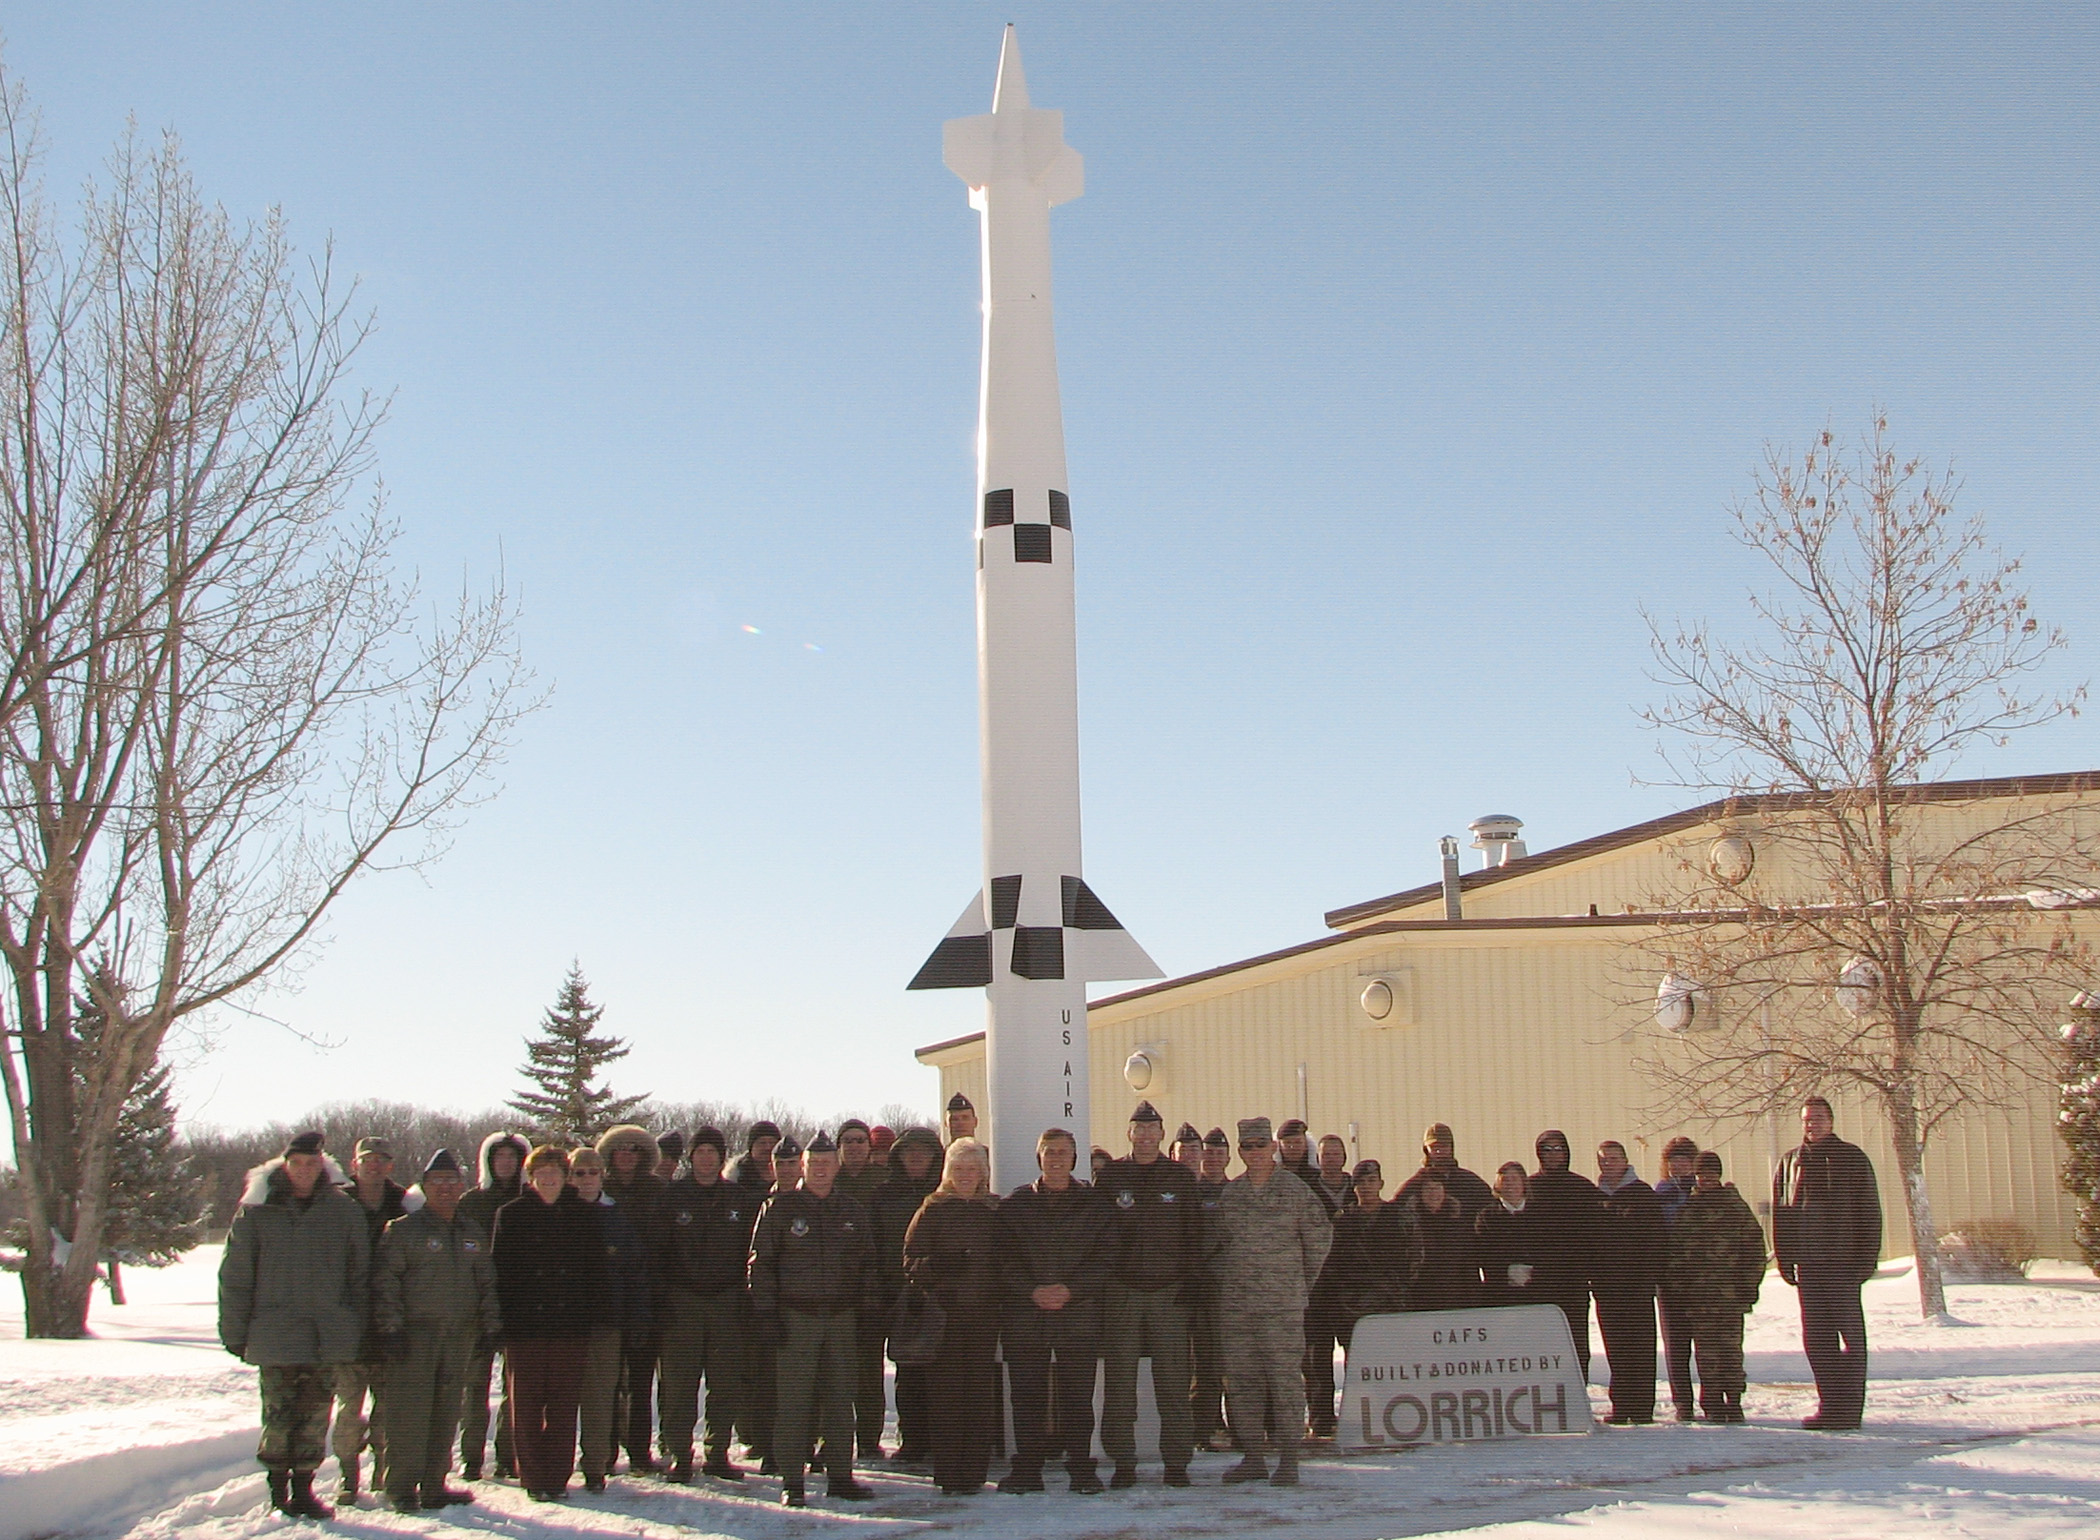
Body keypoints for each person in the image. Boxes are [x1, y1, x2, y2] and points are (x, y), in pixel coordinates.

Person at [218, 1131, 370, 1521]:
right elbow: (235, 1277)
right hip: (274, 1333)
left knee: (316, 1414)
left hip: (326, 1333)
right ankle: (278, 1491)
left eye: (311, 1164)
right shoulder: (257, 1211)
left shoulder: (343, 1211)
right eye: (297, 1164)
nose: (304, 1171)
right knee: (278, 1416)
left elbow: (360, 1275)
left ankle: (305, 1490)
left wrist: (356, 1327)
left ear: (323, 1166)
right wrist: (234, 1331)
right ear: (284, 1166)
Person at [747, 1129, 880, 1508]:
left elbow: (868, 1265)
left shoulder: (852, 1210)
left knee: (841, 1400)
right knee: (794, 1401)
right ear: (802, 1167)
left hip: (841, 1316)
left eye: (826, 1163)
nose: (820, 1170)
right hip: (796, 1315)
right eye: (813, 1164)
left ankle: (840, 1474)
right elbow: (761, 1266)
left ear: (837, 1166)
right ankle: (793, 1479)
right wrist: (766, 1313)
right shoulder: (780, 1210)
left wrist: (869, 1310)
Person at [372, 1149, 499, 1514]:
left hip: (459, 1335)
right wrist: (391, 1328)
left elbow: (486, 1282)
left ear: (462, 1186)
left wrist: (491, 1325)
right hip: (415, 1335)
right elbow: (387, 1282)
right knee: (409, 1412)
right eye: (437, 1182)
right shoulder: (404, 1230)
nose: (445, 1188)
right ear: (424, 1186)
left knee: (446, 1411)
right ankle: (400, 1488)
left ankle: (434, 1485)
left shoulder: (472, 1232)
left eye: (452, 1181)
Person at [1212, 1117, 1331, 1487]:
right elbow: (1220, 1247)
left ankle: (1289, 1459)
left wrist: (1297, 1284)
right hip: (1238, 1306)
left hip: (1281, 1306)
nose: (1255, 1152)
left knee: (1285, 1381)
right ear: (1240, 1151)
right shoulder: (1231, 1195)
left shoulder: (1295, 1191)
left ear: (1273, 1148)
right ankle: (1252, 1456)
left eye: (1261, 1144)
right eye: (1247, 1146)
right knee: (1243, 1381)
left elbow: (1319, 1242)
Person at [997, 1128, 1111, 1495]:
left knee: (1078, 1398)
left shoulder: (1095, 1204)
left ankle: (1081, 1469)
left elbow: (1107, 1257)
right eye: (1049, 1152)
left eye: (1063, 1152)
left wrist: (1072, 1290)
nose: (1056, 1158)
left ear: (1074, 1158)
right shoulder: (1016, 1204)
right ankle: (1027, 1469)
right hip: (1026, 1315)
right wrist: (1031, 1290)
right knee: (1026, 1397)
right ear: (1039, 1157)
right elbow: (1003, 1259)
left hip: (1077, 1315)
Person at [1098, 1099, 1203, 1488]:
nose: (1145, 1136)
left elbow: (1193, 1233)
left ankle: (1176, 1461)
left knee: (1174, 1382)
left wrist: (1191, 1282)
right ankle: (1123, 1461)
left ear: (1162, 1134)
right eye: (1138, 1129)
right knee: (1120, 1383)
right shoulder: (1111, 1177)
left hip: (1168, 1291)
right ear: (1129, 1134)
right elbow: (1100, 1236)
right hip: (1123, 1291)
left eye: (1152, 1129)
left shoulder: (1179, 1178)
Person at [492, 1145, 606, 1502]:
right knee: (525, 1404)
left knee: (562, 1404)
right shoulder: (510, 1214)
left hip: (569, 1324)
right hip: (525, 1325)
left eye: (555, 1171)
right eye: (541, 1172)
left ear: (565, 1176)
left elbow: (595, 1271)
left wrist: (590, 1313)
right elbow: (500, 1271)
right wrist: (502, 1320)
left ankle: (557, 1475)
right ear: (530, 1177)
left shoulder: (583, 1215)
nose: (548, 1178)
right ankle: (533, 1476)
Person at [1772, 1096, 1882, 1430]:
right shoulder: (1791, 1161)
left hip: (1842, 1263)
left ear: (1831, 1121)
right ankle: (1829, 1404)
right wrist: (1785, 1257)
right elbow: (1781, 1213)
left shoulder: (1852, 1158)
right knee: (1817, 1340)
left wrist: (1866, 1259)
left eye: (1818, 1118)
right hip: (1809, 1265)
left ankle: (1849, 1410)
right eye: (1807, 1120)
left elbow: (1869, 1211)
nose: (1812, 1124)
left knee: (1850, 1339)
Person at [902, 1137, 1002, 1495]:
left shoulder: (994, 1210)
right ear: (947, 1172)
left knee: (978, 1395)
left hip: (983, 1315)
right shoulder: (932, 1209)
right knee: (945, 1396)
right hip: (944, 1316)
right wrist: (937, 1266)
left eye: (971, 1169)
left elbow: (1008, 1260)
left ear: (982, 1173)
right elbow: (910, 1262)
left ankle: (974, 1471)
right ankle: (948, 1470)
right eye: (958, 1169)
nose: (965, 1175)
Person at [656, 1125, 754, 1483]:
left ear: (721, 1157)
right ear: (691, 1157)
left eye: (714, 1152)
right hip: (683, 1300)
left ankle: (718, 1453)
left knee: (724, 1382)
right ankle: (680, 1454)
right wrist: (663, 1299)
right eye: (701, 1152)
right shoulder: (672, 1197)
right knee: (680, 1384)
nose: (707, 1158)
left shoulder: (738, 1199)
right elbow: (659, 1252)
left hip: (727, 1300)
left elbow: (750, 1251)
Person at [334, 1135, 412, 1503]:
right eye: (367, 1159)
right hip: (348, 1324)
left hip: (390, 1320)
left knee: (389, 1408)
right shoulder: (336, 1204)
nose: (374, 1166)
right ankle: (348, 1477)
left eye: (382, 1160)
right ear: (355, 1165)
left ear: (390, 1166)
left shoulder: (405, 1205)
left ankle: (383, 1472)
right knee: (349, 1409)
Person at [570, 1147, 651, 1493]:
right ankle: (554, 1463)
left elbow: (635, 1273)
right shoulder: (557, 1213)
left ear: (603, 1175)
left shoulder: (616, 1217)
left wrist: (638, 1319)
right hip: (562, 1324)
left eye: (593, 1173)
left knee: (601, 1397)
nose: (586, 1179)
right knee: (558, 1399)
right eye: (579, 1173)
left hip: (606, 1321)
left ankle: (595, 1464)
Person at [1664, 1151, 1767, 1424]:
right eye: (1702, 1174)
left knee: (1731, 1351)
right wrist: (1681, 1289)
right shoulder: (1688, 1211)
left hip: (1730, 1297)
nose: (1706, 1179)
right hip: (1699, 1299)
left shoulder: (1735, 1208)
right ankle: (1712, 1402)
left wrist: (1748, 1286)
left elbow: (1755, 1250)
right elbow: (1676, 1255)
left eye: (1711, 1173)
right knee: (1707, 1353)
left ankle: (1733, 1400)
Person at [457, 1130, 528, 1481]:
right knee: (474, 1385)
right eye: (499, 1157)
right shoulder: (471, 1202)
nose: (506, 1163)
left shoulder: (529, 1200)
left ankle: (507, 1453)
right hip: (473, 1302)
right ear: (488, 1161)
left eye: (512, 1158)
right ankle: (471, 1456)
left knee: (514, 1385)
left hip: (516, 1300)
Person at [596, 1124, 667, 1473]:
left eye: (633, 1149)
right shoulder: (598, 1189)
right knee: (606, 1380)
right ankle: (603, 1451)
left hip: (647, 1297)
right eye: (619, 1149)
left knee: (641, 1382)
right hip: (606, 1297)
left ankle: (639, 1451)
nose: (626, 1155)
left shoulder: (658, 1191)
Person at [873, 1126, 943, 1465]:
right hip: (898, 1293)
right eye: (908, 1151)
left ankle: (939, 1438)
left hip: (942, 1295)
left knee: (941, 1372)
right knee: (908, 1373)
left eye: (923, 1152)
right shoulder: (883, 1196)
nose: (916, 1157)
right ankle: (912, 1438)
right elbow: (870, 1248)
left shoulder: (946, 1193)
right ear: (898, 1157)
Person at [1318, 1160, 1422, 1382]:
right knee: (1359, 1374)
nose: (1366, 1187)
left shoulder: (1400, 1217)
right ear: (1353, 1187)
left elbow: (1415, 1258)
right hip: (1353, 1311)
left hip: (1392, 1307)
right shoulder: (1342, 1222)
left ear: (1381, 1183)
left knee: (1395, 1368)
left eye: (1371, 1181)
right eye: (1360, 1182)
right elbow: (1331, 1266)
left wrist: (1397, 1290)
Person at [739, 1133, 801, 1470]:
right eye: (781, 1164)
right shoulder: (764, 1205)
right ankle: (768, 1447)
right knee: (768, 1382)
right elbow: (757, 1261)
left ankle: (805, 1445)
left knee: (806, 1384)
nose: (787, 1170)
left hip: (806, 1304)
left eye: (793, 1163)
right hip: (771, 1306)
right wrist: (763, 1308)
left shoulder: (817, 1203)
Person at [1593, 1138, 1666, 1424]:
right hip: (1607, 1288)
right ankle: (1621, 1405)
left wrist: (1649, 1278)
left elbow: (1657, 1241)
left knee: (1640, 1348)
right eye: (1602, 1159)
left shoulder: (1642, 1194)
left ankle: (1642, 1407)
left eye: (1612, 1158)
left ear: (1625, 1161)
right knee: (1616, 1349)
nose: (1607, 1164)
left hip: (1637, 1286)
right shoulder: (1596, 1197)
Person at [832, 1119, 889, 1462]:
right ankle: (833, 1438)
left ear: (869, 1147)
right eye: (847, 1141)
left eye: (859, 1141)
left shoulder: (882, 1183)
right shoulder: (828, 1180)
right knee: (834, 1370)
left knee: (869, 1371)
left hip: (872, 1290)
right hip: (833, 1290)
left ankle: (869, 1437)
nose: (854, 1147)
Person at [1528, 1130, 1601, 1376]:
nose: (1552, 1154)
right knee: (1542, 1347)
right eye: (1546, 1149)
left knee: (1576, 1345)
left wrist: (1591, 1271)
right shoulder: (1529, 1189)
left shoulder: (1583, 1189)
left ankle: (1577, 1398)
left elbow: (1598, 1236)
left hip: (1574, 1283)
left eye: (1558, 1148)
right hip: (1538, 1285)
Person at [1298, 1134, 1355, 1437]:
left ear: (1345, 1157)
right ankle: (1320, 1416)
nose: (1331, 1159)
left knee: (1356, 1352)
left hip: (1352, 1286)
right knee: (1317, 1356)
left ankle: (1359, 1412)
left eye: (1336, 1153)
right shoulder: (1306, 1191)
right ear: (1317, 1158)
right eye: (1326, 1154)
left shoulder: (1358, 1190)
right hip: (1317, 1284)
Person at [1653, 1136, 1701, 1420]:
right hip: (1670, 1280)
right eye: (1673, 1161)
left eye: (1684, 1160)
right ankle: (1683, 1402)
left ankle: (1715, 1398)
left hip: (1702, 1280)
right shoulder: (1660, 1194)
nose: (1679, 1166)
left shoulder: (1706, 1191)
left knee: (1706, 1343)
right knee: (1676, 1344)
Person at [1190, 1127, 1231, 1451]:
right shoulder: (1189, 1194)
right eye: (1209, 1153)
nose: (1214, 1158)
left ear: (1228, 1157)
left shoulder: (1239, 1193)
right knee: (1204, 1366)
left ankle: (1244, 1429)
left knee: (1236, 1366)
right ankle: (1202, 1430)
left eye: (1220, 1153)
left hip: (1233, 1293)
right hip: (1202, 1292)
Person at [1474, 1163, 1544, 1305]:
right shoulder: (1486, 1217)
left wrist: (1535, 1273)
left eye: (1514, 1179)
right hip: (1501, 1293)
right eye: (1505, 1180)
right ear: (1497, 1185)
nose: (1510, 1184)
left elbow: (1551, 1249)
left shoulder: (1541, 1214)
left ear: (1524, 1183)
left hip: (1539, 1293)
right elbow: (1483, 1253)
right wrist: (1506, 1272)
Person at [1395, 1123, 1495, 1220]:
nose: (1439, 1151)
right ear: (1426, 1150)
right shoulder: (1415, 1184)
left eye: (1443, 1146)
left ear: (1451, 1148)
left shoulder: (1470, 1182)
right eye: (1434, 1147)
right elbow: (1395, 1210)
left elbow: (1491, 1210)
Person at [1407, 1173, 1477, 1310]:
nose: (1433, 1193)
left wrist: (1473, 1300)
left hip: (1456, 1298)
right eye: (1427, 1188)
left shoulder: (1459, 1225)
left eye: (1438, 1187)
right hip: (1419, 1298)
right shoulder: (1409, 1225)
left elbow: (1469, 1266)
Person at [730, 1121, 781, 1192]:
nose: (768, 1147)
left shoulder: (791, 1177)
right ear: (751, 1148)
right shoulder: (735, 1179)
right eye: (762, 1143)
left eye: (772, 1143)